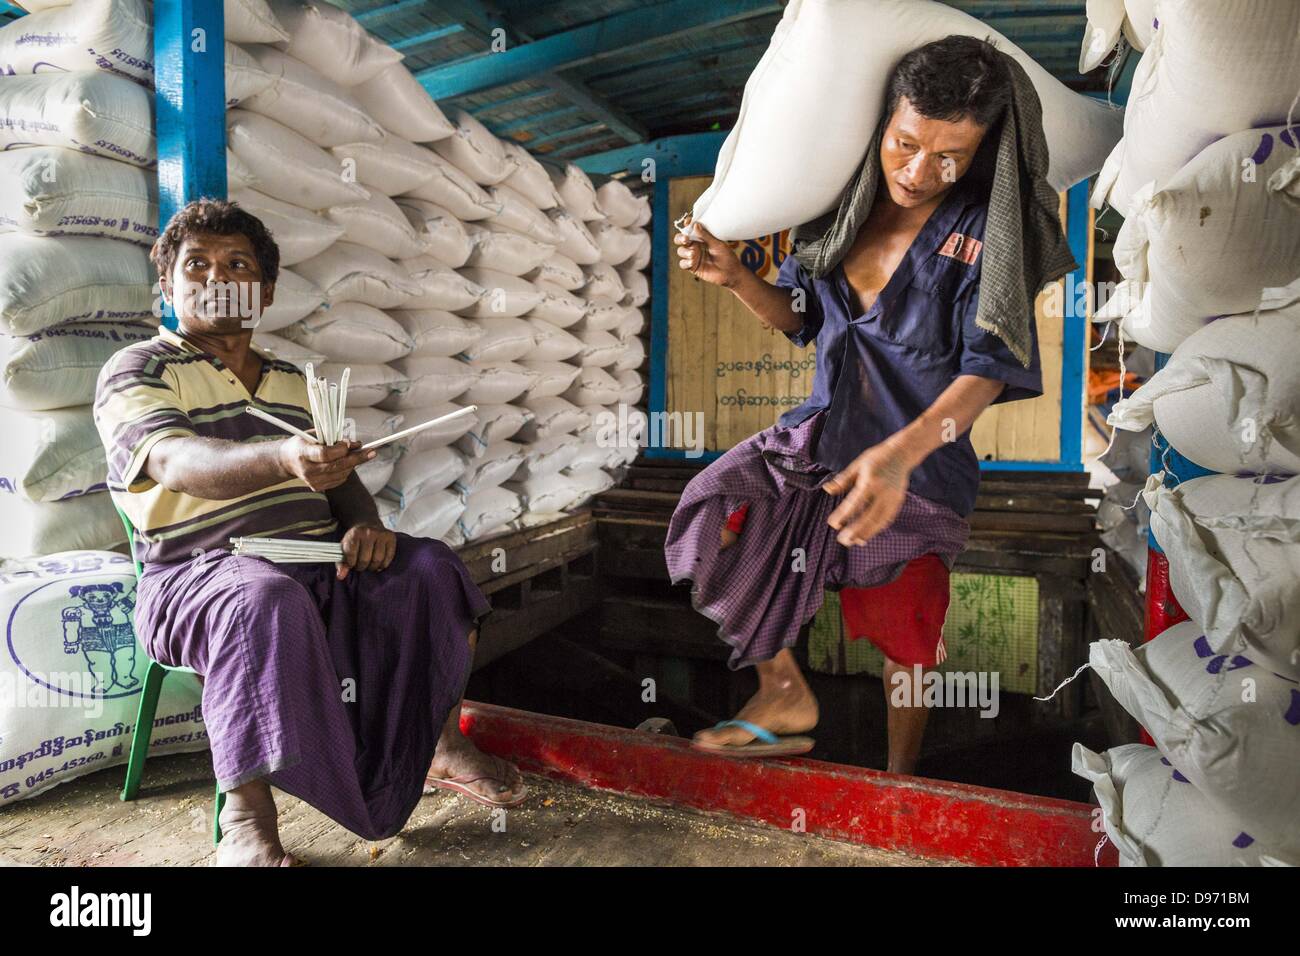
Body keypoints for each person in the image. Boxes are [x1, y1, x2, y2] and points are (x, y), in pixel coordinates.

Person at [94, 199, 526, 866]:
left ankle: (439, 742)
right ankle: (245, 816)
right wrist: (281, 458)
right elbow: (178, 460)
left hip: (319, 566)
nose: (215, 276)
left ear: (265, 292)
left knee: (431, 571)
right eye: (196, 265)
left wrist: (364, 524)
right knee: (258, 598)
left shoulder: (296, 384)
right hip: (194, 577)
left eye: (236, 264)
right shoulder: (140, 370)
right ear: (168, 286)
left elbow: (340, 483)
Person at [668, 37, 1044, 775]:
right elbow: (804, 319)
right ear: (880, 126)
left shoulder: (984, 238)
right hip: (819, 444)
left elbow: (988, 373)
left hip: (920, 473)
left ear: (980, 152)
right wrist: (738, 279)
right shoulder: (839, 210)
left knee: (905, 635)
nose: (918, 171)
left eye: (950, 157)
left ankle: (901, 779)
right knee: (711, 507)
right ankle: (783, 691)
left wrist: (900, 456)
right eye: (905, 144)